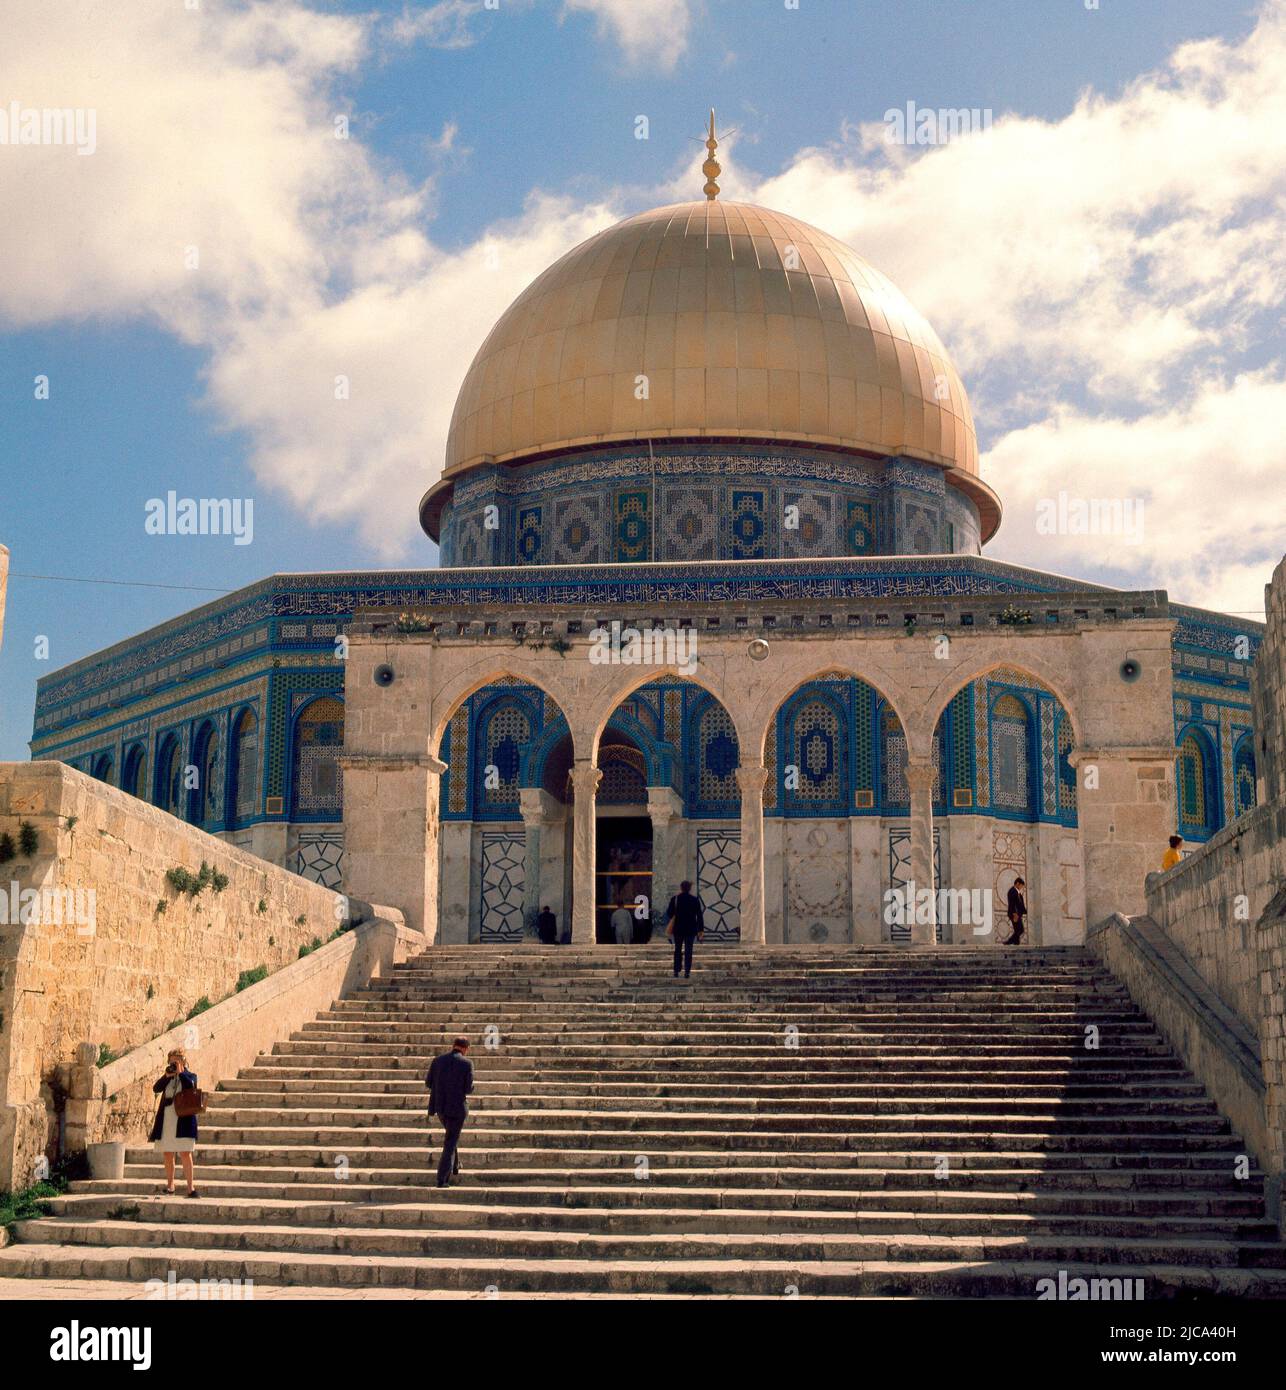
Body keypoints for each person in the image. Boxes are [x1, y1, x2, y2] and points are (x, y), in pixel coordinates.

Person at [150, 1048, 199, 1197]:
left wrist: (181, 1072)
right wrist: (167, 1076)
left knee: (185, 1152)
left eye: (176, 1061)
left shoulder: (190, 1075)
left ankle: (191, 1188)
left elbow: (191, 1086)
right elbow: (156, 1089)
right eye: (171, 1061)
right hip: (168, 1118)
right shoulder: (168, 1077)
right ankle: (170, 1185)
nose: (173, 1064)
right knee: (168, 1153)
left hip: (184, 1119)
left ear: (183, 1061)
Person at [426, 1035, 474, 1188]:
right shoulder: (467, 1063)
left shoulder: (438, 1061)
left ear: (453, 1045)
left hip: (440, 1107)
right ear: (466, 1049)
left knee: (452, 1136)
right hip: (457, 1109)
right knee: (450, 1142)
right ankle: (442, 1178)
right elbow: (468, 1088)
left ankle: (455, 1165)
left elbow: (428, 1083)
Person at [665, 880, 705, 979]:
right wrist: (700, 930)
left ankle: (676, 970)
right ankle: (687, 971)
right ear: (690, 888)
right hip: (691, 929)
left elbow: (669, 913)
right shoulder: (694, 900)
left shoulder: (675, 899)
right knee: (689, 950)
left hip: (678, 928)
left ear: (681, 888)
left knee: (677, 949)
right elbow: (699, 915)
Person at [1004, 877, 1027, 945]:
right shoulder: (1012, 891)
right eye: (1021, 885)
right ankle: (1009, 942)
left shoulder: (1017, 892)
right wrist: (1014, 914)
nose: (1021, 887)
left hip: (1017, 914)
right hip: (1014, 914)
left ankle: (1016, 944)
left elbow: (1020, 904)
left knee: (1018, 930)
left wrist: (1025, 911)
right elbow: (1012, 903)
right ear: (1017, 883)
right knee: (1020, 930)